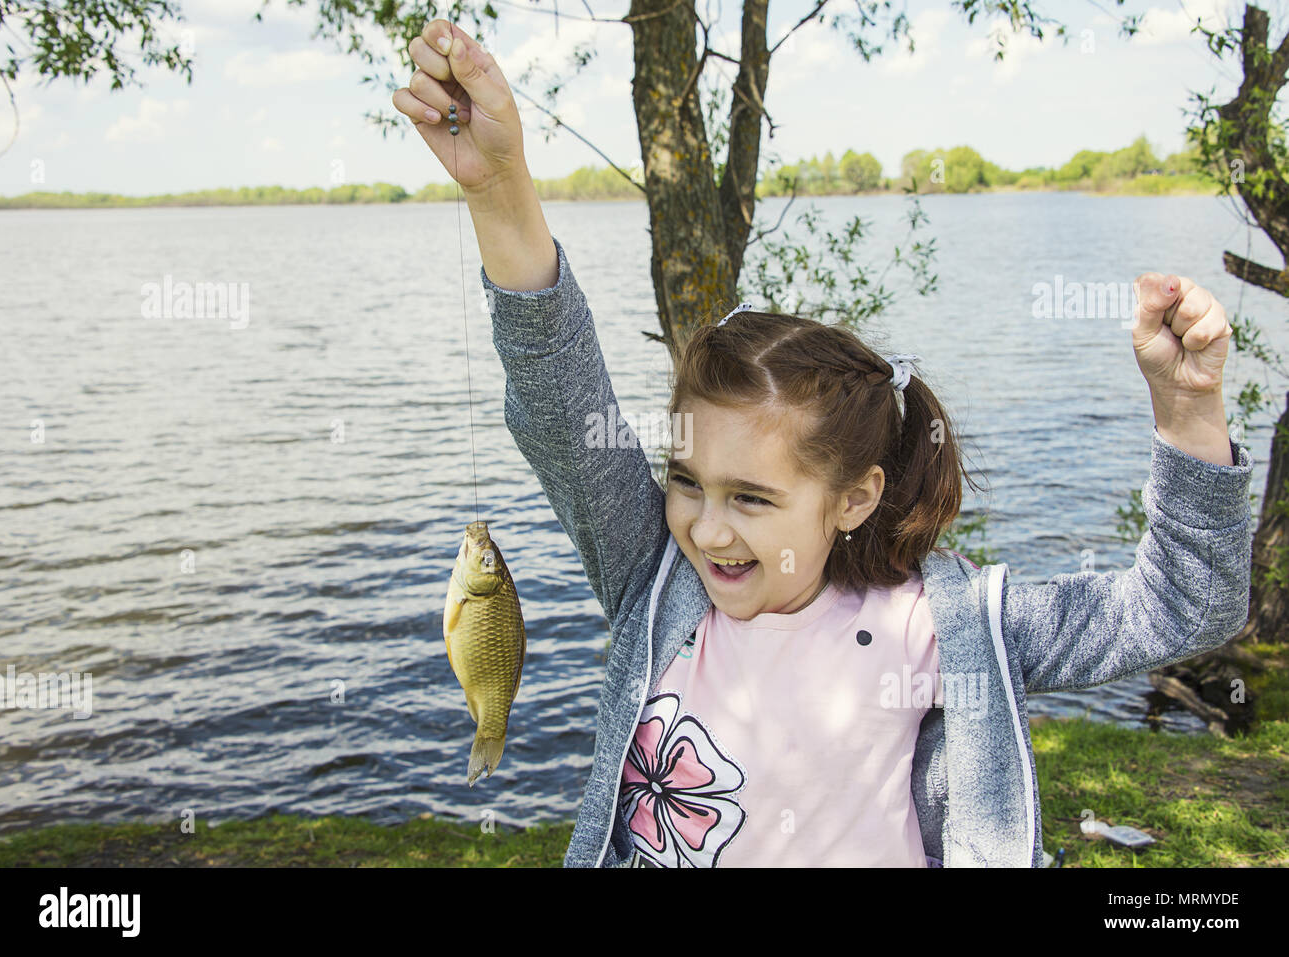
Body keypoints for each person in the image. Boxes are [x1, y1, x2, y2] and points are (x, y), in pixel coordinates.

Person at [393, 21, 1255, 867]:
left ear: (855, 497)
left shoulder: (939, 629)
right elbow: (559, 398)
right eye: (687, 479)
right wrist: (499, 185)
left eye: (754, 497)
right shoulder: (658, 588)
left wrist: (1187, 414)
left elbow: (1183, 605)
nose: (707, 528)